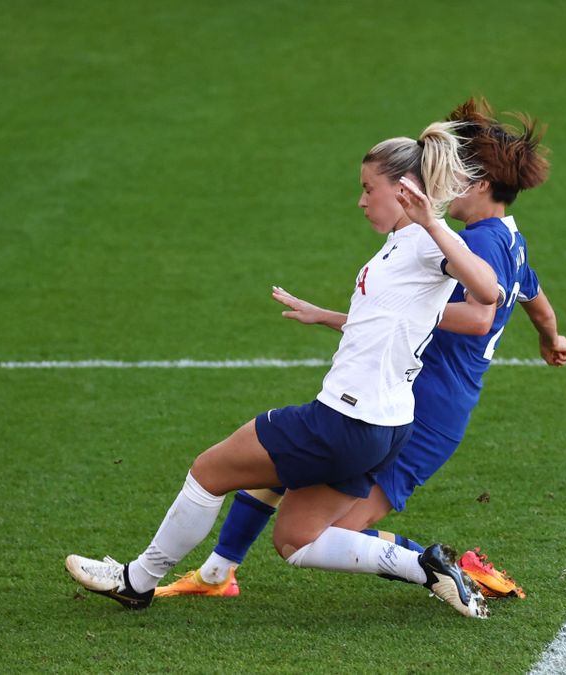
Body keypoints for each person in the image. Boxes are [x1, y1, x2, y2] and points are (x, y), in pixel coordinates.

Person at [66, 119, 500, 619]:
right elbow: (394, 323)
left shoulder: (426, 240)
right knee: (296, 538)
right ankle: (425, 568)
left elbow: (486, 292)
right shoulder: (404, 243)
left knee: (210, 472)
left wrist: (434, 222)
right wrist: (330, 317)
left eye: (368, 189)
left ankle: (136, 580)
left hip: (345, 420)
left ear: (403, 190)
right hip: (383, 427)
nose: (361, 201)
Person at [155, 98, 566, 602]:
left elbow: (482, 316)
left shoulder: (477, 245)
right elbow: (537, 303)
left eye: (461, 175)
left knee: (325, 533)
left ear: (482, 185)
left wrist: (389, 311)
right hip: (410, 390)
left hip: (426, 408)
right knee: (283, 459)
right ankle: (218, 572)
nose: (449, 183)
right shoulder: (507, 239)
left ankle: (453, 566)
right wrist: (553, 339)